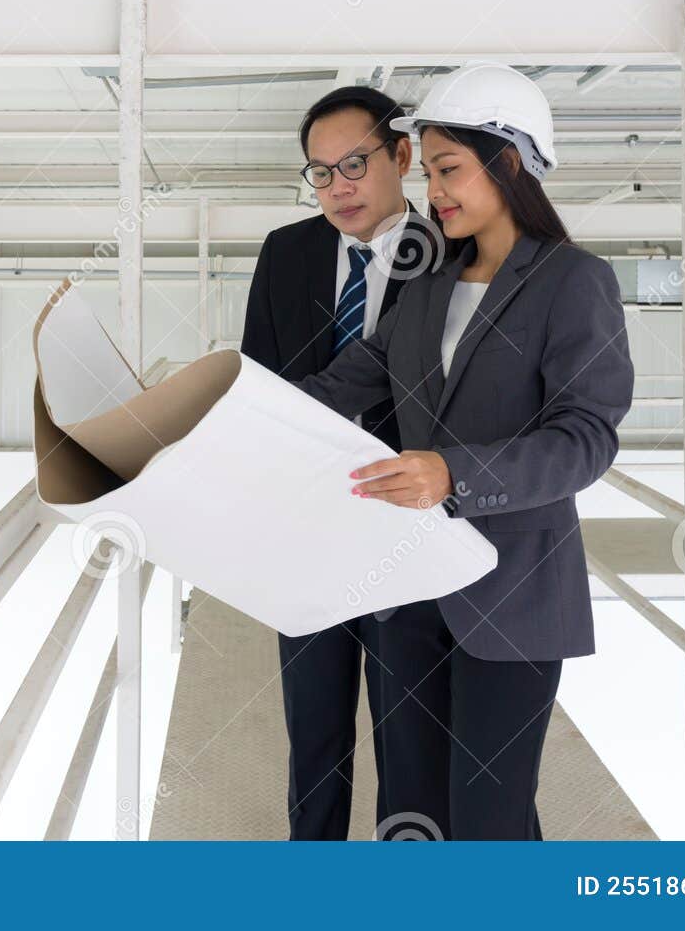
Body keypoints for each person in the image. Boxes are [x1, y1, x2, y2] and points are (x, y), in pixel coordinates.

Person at [292, 62, 635, 841]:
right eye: (434, 171)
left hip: (512, 598)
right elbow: (353, 378)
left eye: (448, 170)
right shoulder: (432, 282)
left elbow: (586, 437)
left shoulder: (573, 282)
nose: (434, 191)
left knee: (491, 818)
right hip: (412, 592)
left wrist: (455, 474)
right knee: (417, 809)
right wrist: (229, 408)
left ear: (508, 165)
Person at [241, 85, 432, 839]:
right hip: (308, 532)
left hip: (407, 532)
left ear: (403, 156)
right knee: (314, 734)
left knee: (409, 735)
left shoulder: (457, 258)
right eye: (319, 172)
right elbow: (261, 384)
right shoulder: (287, 253)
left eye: (353, 163)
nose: (337, 186)